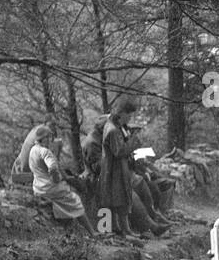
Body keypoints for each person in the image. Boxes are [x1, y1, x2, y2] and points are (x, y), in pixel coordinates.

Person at [25, 125, 97, 238]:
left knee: (65, 201)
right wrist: (57, 179)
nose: (50, 140)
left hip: (38, 187)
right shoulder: (45, 152)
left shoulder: (33, 150)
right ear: (43, 138)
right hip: (50, 188)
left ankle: (68, 232)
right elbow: (53, 167)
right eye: (48, 137)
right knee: (76, 201)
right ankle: (93, 232)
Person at [97, 97, 139, 238]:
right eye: (129, 115)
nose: (130, 118)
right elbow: (119, 151)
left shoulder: (114, 126)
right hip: (114, 170)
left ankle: (120, 230)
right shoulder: (113, 130)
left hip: (115, 168)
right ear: (121, 113)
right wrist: (133, 141)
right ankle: (123, 230)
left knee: (117, 199)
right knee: (119, 199)